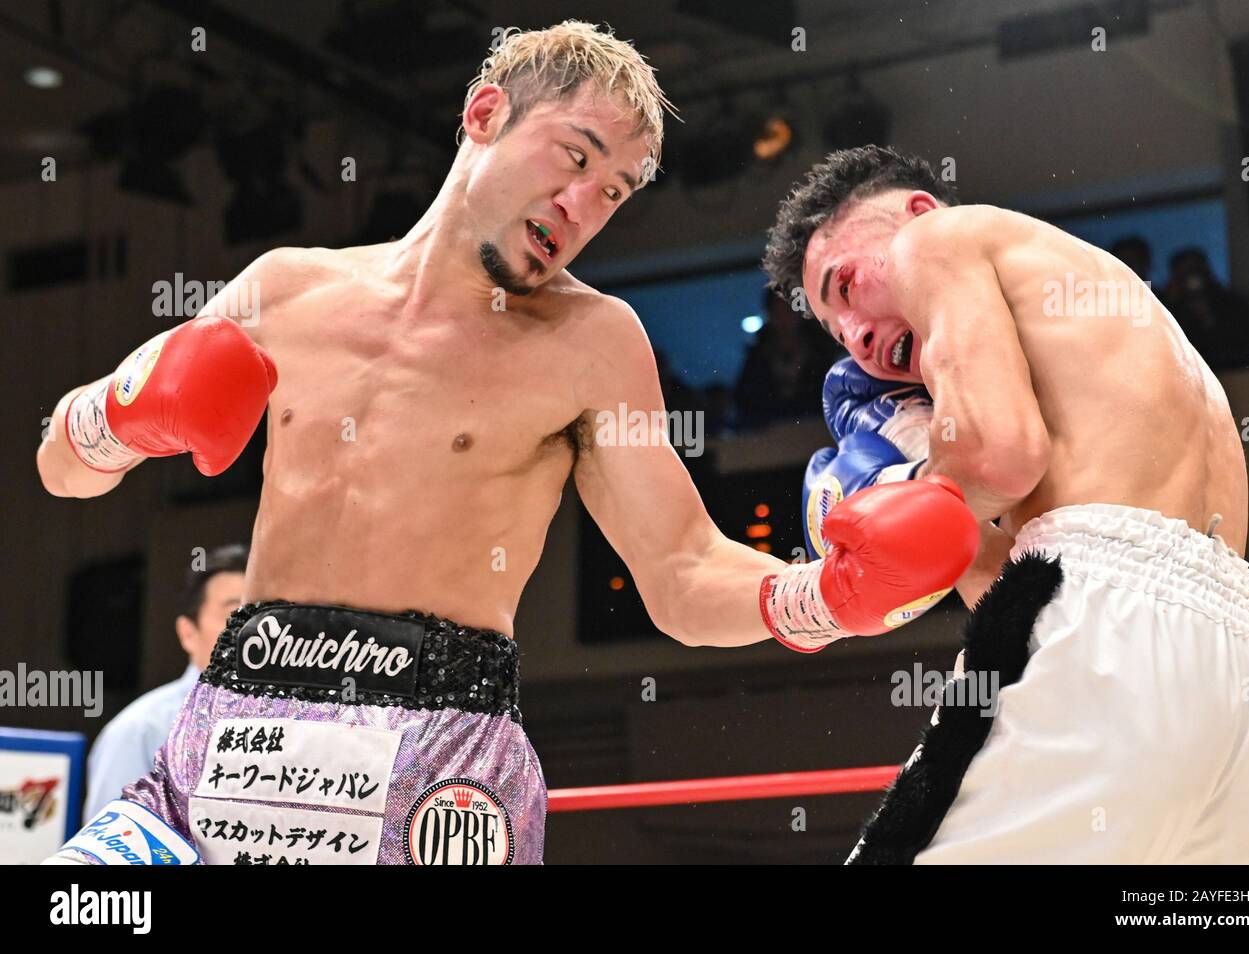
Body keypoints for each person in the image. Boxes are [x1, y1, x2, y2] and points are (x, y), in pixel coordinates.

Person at [38, 25, 978, 866]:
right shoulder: (286, 288)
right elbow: (61, 469)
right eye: (573, 156)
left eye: (611, 192)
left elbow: (683, 572)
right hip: (232, 725)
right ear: (485, 113)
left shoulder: (593, 341)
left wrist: (824, 597)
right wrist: (118, 418)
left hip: (437, 753)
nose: (581, 203)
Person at [763, 144, 1249, 864]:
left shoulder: (936, 240)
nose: (855, 335)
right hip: (1243, 677)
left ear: (916, 211)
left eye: (847, 285)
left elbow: (998, 459)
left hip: (1103, 647)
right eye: (835, 333)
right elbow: (1028, 581)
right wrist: (932, 503)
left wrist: (905, 480)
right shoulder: (1102, 316)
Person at [83, 545, 247, 822]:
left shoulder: (299, 720)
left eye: (262, 615)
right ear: (188, 632)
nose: (252, 629)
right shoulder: (141, 729)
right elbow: (109, 850)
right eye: (234, 615)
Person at [732, 288, 840, 429]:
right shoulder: (757, 358)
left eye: (788, 311)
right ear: (770, 315)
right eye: (777, 312)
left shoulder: (820, 354)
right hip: (770, 439)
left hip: (816, 433)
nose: (784, 319)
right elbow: (744, 401)